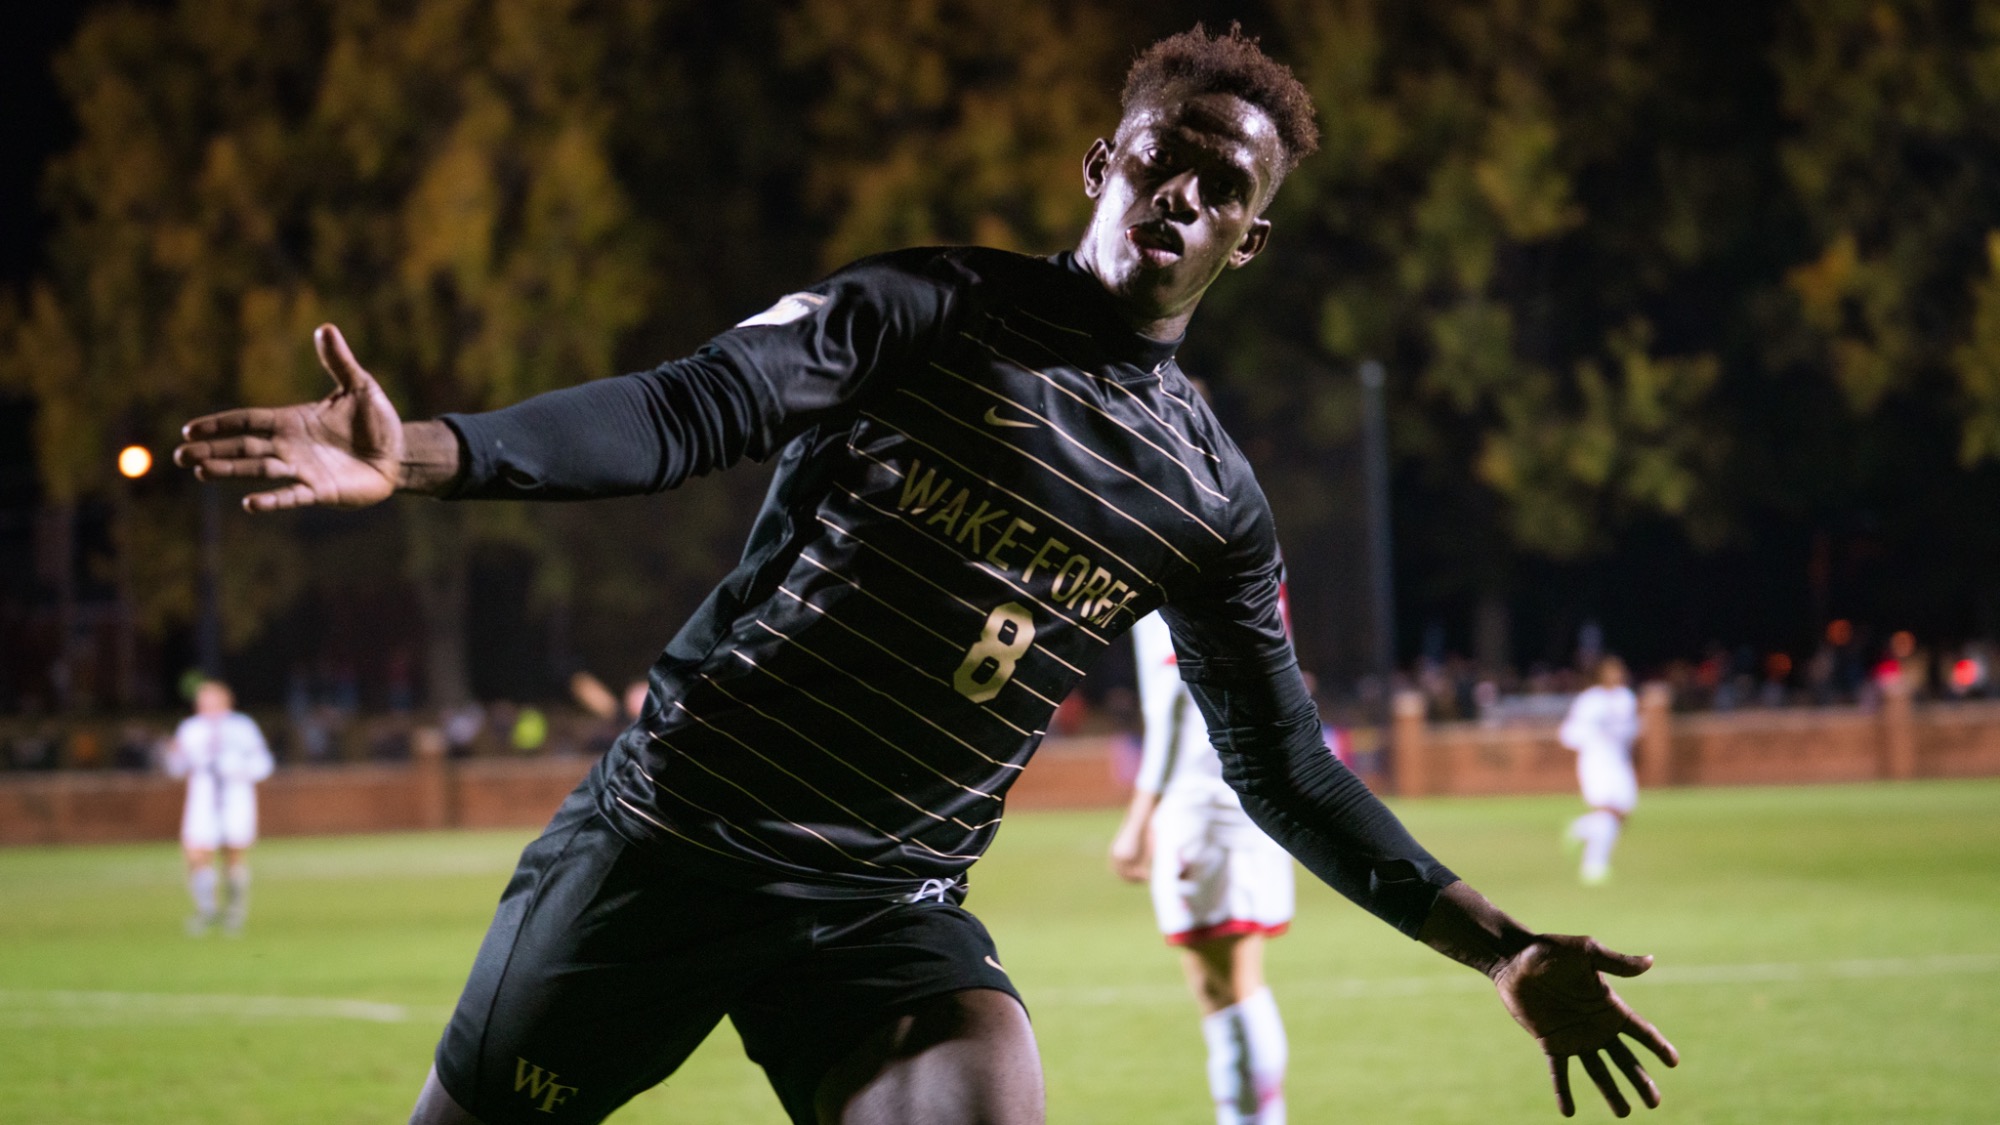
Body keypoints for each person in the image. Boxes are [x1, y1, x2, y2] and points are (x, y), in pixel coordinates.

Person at [176, 25, 1675, 1125]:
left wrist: (1499, 946)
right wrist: (427, 452)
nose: (1183, 197)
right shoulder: (928, 309)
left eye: (1224, 186)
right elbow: (690, 405)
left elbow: (1282, 763)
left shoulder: (1211, 499)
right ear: (1107, 161)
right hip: (671, 844)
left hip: (880, 909)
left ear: (1250, 237)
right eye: (1165, 158)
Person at [1109, 611, 1293, 1125]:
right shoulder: (1246, 540)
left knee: (1225, 987)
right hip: (1242, 785)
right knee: (1235, 984)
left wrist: (1141, 815)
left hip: (1205, 799)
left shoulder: (1173, 544)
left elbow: (1176, 692)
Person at [163, 679, 275, 935]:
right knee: (195, 852)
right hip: (202, 797)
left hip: (235, 795)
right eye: (202, 700)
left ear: (226, 701)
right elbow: (178, 768)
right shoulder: (190, 729)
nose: (205, 705)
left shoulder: (243, 727)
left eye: (211, 699)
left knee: (233, 854)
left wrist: (239, 771)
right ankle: (208, 909)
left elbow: (263, 762)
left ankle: (235, 912)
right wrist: (172, 754)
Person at [1560, 656, 1640, 885]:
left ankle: (1582, 828)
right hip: (1596, 761)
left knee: (1622, 812)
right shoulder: (1590, 701)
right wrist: (1592, 735)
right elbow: (1569, 734)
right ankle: (1593, 864)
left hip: (1619, 761)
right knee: (1607, 809)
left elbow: (1630, 731)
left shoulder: (1626, 698)